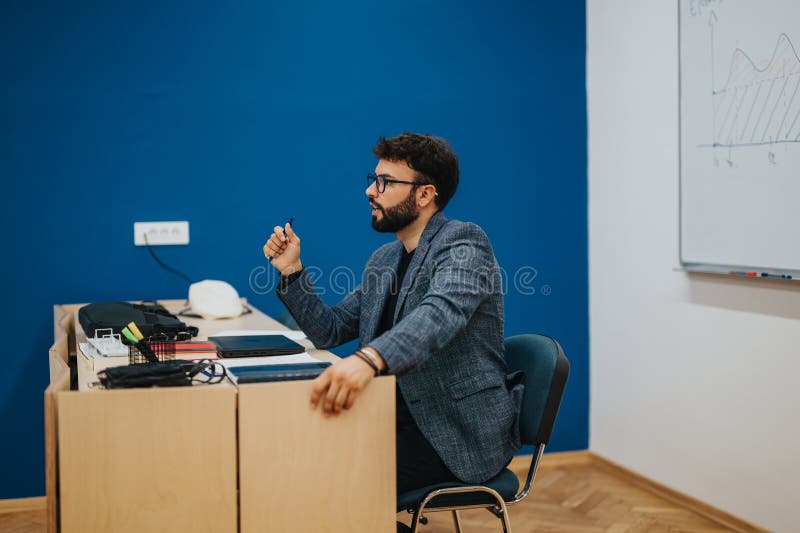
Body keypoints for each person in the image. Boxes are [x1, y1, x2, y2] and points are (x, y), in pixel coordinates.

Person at [263, 133, 523, 528]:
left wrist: (368, 360)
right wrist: (292, 270)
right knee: (295, 463)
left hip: (453, 432)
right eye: (373, 178)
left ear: (424, 195)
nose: (371, 190)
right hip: (391, 418)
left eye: (386, 182)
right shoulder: (384, 259)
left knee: (326, 483)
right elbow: (330, 330)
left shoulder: (465, 243)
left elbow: (440, 313)